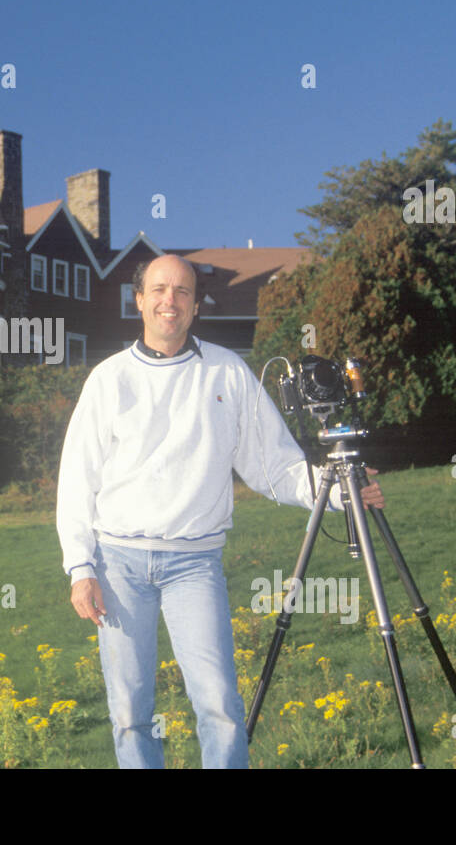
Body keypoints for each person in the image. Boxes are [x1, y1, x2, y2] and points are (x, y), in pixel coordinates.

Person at [55, 254, 384, 768]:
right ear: (139, 300)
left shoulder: (228, 371)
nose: (171, 300)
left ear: (195, 305)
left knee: (220, 706)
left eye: (183, 291)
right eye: (159, 289)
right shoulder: (108, 379)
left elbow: (274, 465)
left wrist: (341, 490)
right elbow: (77, 480)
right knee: (129, 711)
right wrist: (80, 567)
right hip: (117, 564)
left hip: (194, 565)